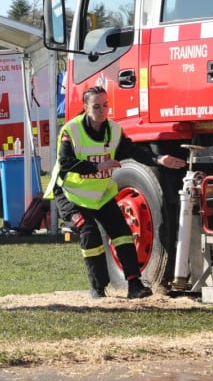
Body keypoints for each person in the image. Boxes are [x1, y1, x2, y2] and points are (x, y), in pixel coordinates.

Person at [43, 85, 186, 300]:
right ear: (85, 107)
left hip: (100, 194)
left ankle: (134, 285)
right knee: (89, 232)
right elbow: (65, 163)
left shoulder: (114, 130)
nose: (102, 111)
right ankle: (98, 288)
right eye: (96, 106)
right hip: (71, 193)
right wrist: (96, 168)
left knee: (122, 233)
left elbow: (134, 151)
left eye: (106, 105)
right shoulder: (70, 131)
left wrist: (159, 159)